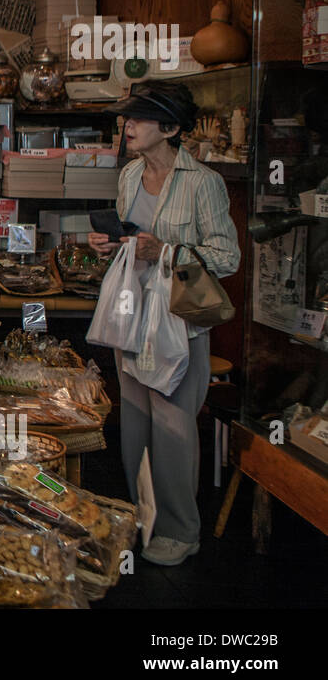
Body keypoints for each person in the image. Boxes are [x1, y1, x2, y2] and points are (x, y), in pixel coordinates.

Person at [87, 81, 240, 566]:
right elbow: (134, 233)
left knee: (173, 425)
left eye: (138, 118)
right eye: (126, 118)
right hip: (132, 315)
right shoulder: (131, 175)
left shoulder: (203, 183)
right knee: (134, 421)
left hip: (178, 320)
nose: (126, 126)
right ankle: (141, 515)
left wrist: (167, 250)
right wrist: (111, 242)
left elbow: (227, 256)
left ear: (170, 128)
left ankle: (181, 529)